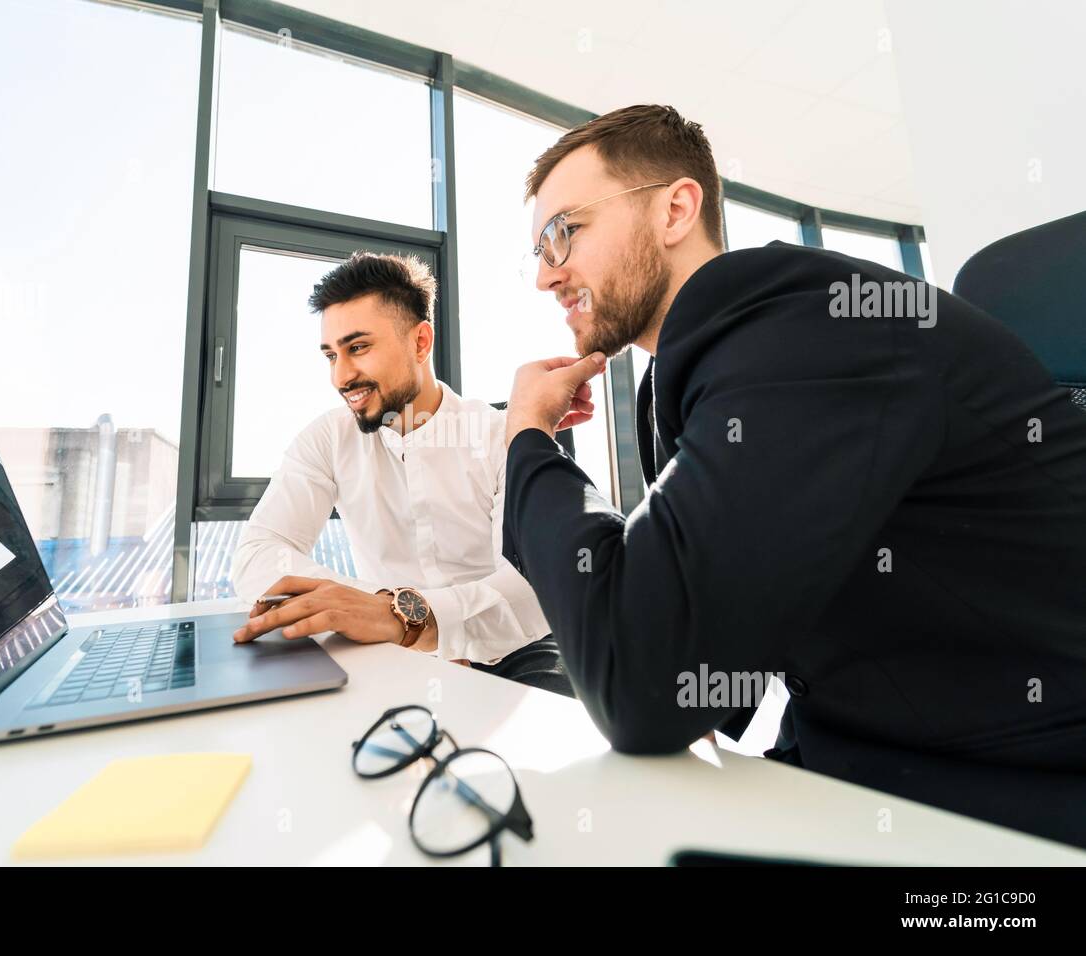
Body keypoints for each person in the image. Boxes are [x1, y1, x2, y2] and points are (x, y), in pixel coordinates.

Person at [502, 103, 1086, 846]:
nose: (549, 275)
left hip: (1016, 785)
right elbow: (693, 654)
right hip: (853, 757)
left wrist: (528, 439)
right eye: (539, 252)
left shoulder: (800, 329)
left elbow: (644, 682)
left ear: (677, 209)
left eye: (564, 232)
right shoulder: (681, 382)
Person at [231, 252, 572, 696]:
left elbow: (531, 584)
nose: (341, 375)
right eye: (331, 355)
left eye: (358, 348)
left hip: (515, 649)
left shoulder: (497, 435)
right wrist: (384, 612)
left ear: (420, 342)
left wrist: (412, 618)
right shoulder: (327, 439)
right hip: (390, 647)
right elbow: (258, 554)